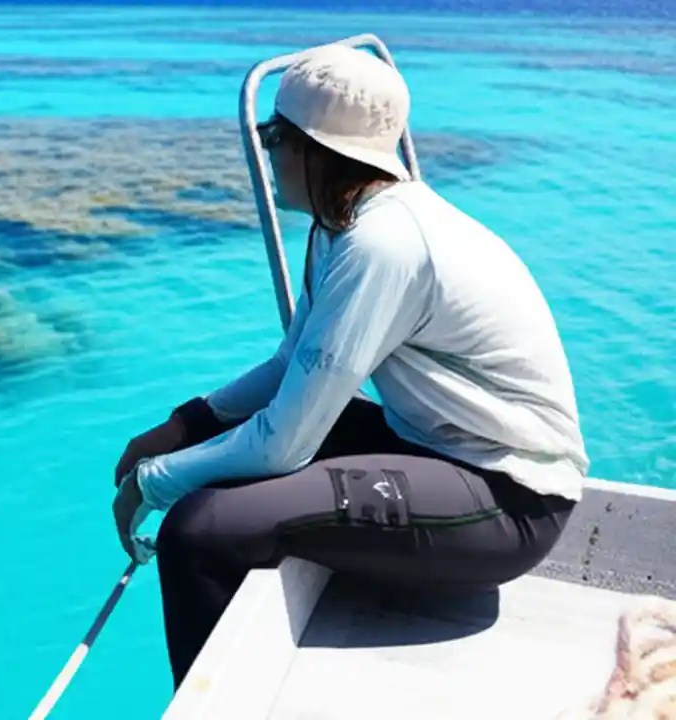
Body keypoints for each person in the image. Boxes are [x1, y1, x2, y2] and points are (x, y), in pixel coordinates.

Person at [110, 44, 588, 689]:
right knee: (229, 462)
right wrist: (185, 424)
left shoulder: (383, 245)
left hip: (512, 502)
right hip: (445, 453)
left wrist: (153, 481)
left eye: (274, 135)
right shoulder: (342, 226)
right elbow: (291, 363)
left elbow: (283, 444)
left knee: (200, 529)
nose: (267, 150)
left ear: (314, 148)